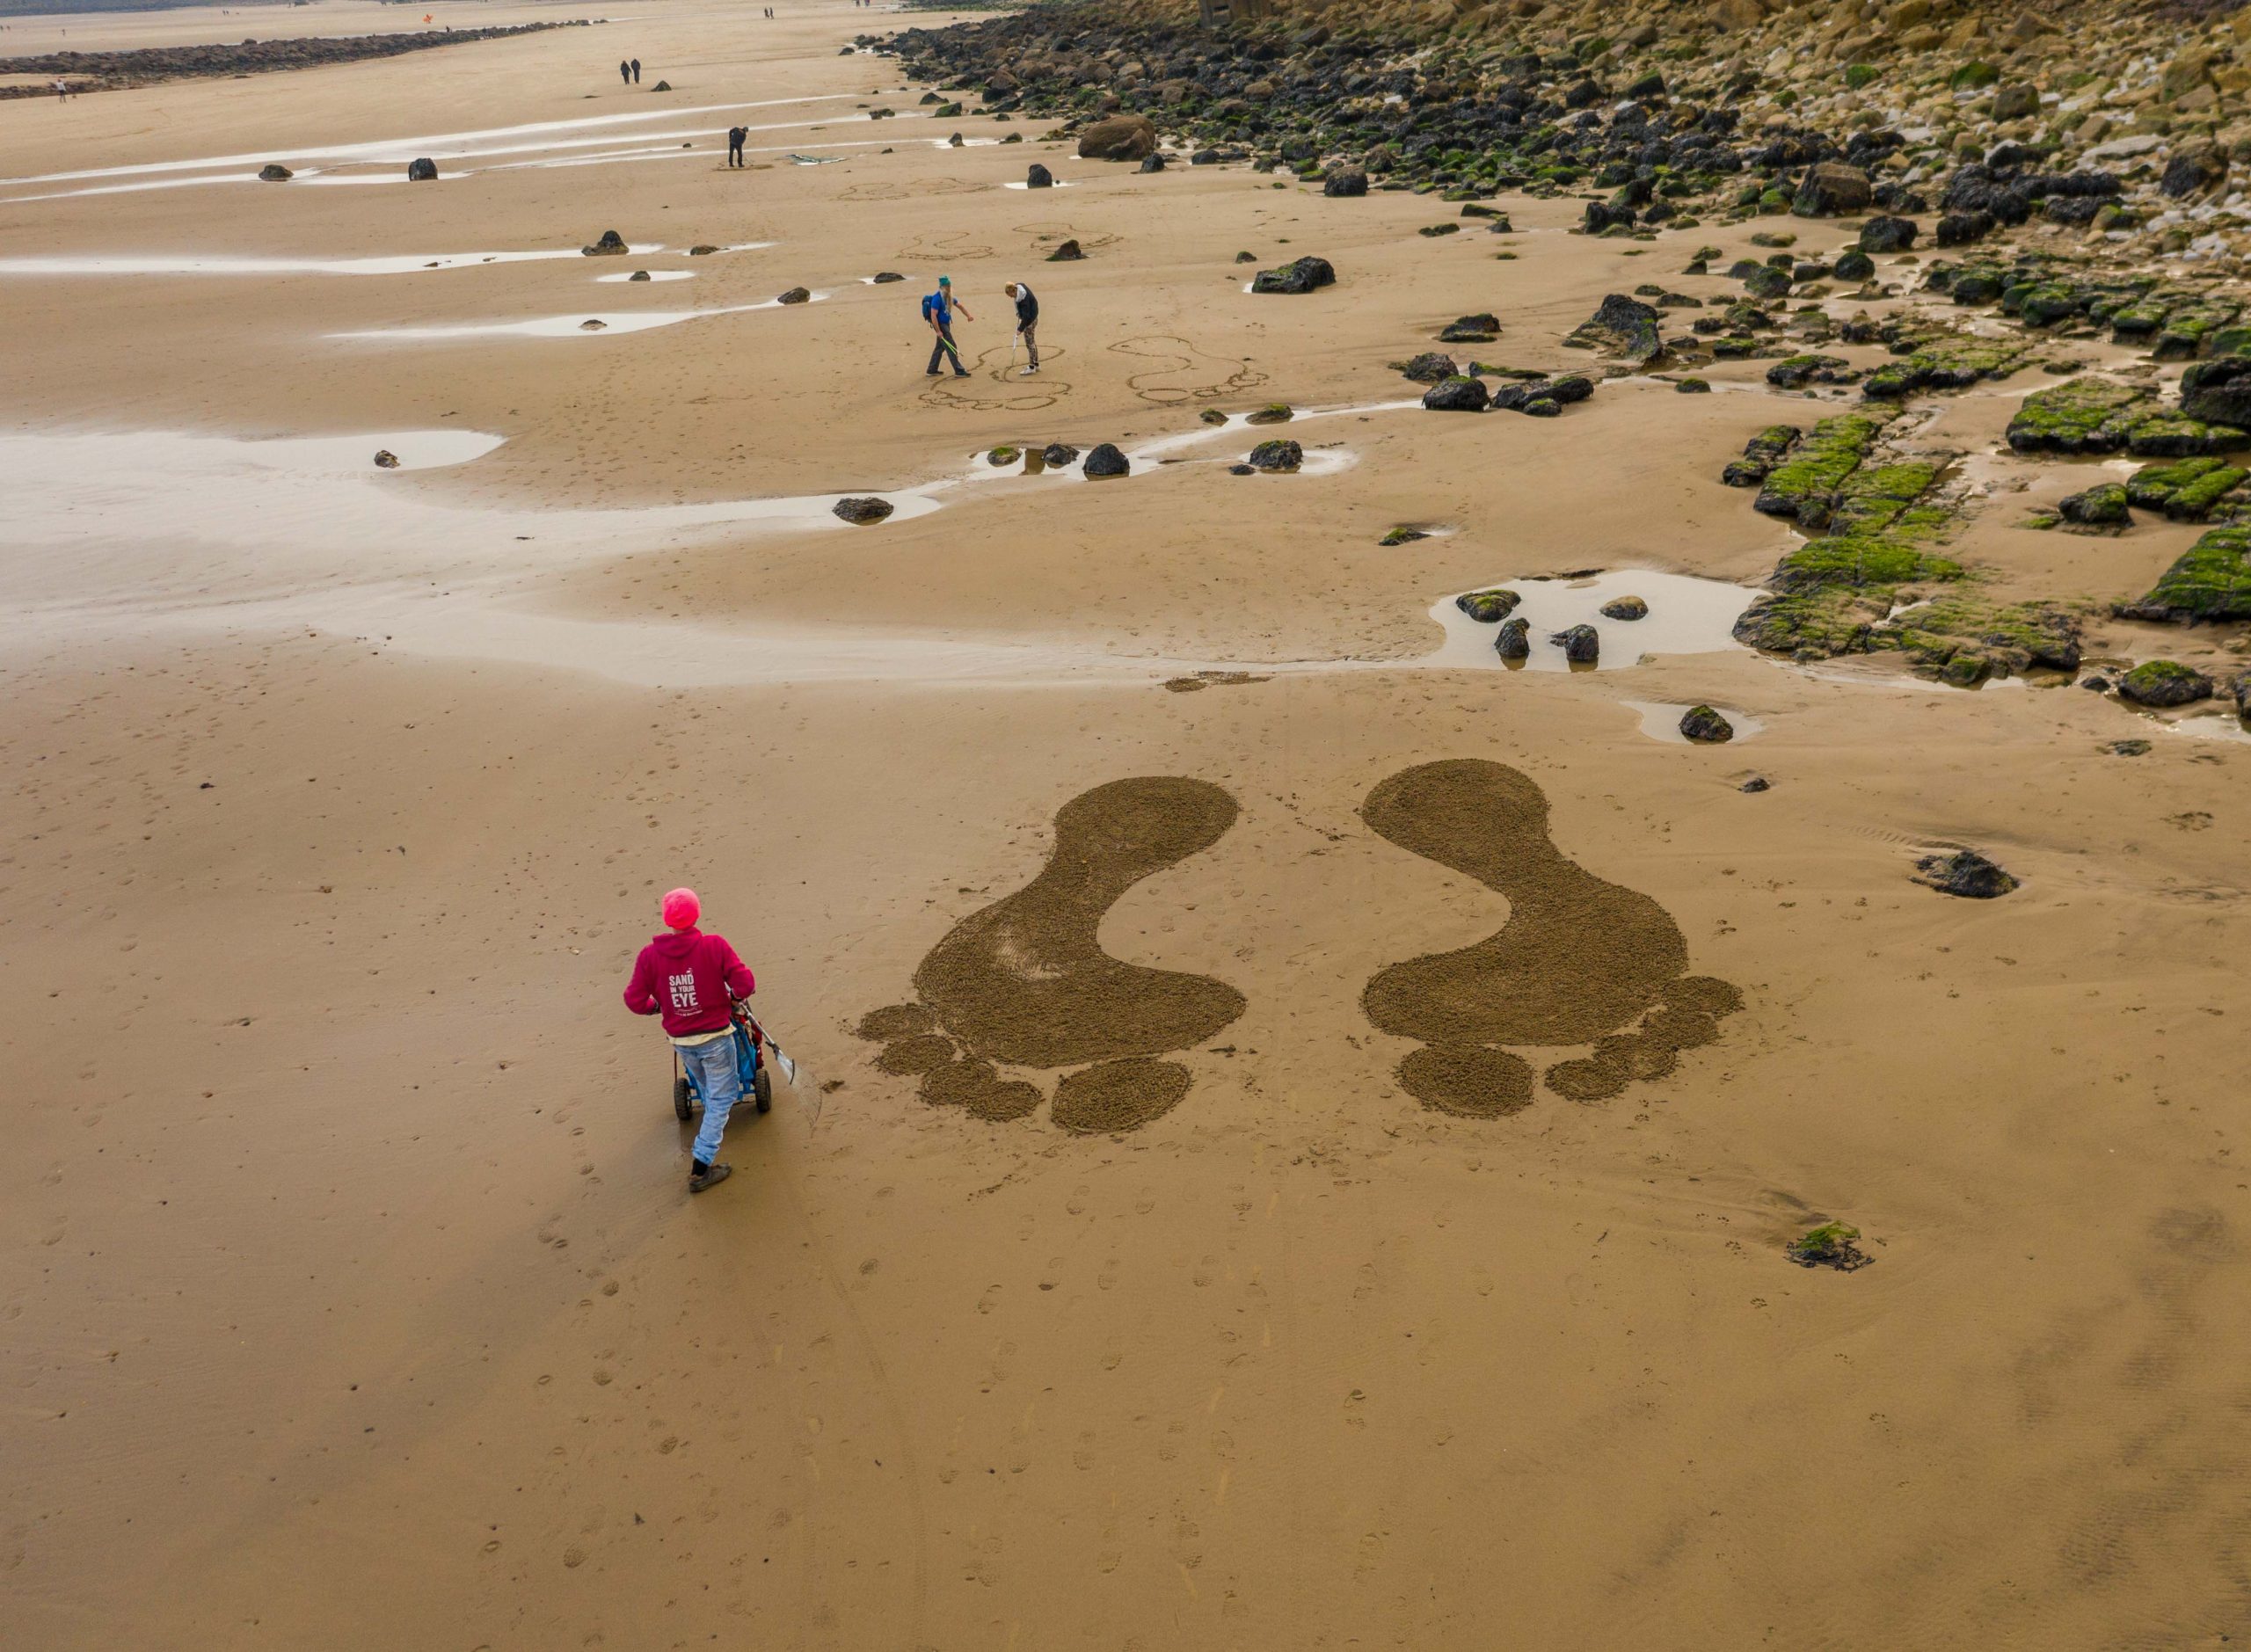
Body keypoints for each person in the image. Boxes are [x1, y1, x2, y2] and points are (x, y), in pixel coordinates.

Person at [623, 887, 756, 1194]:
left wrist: (656, 1007)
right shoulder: (714, 945)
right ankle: (701, 1166)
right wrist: (734, 998)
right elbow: (745, 983)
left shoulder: (649, 955)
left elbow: (634, 999)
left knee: (709, 1090)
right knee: (723, 1098)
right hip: (716, 1037)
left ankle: (709, 1128)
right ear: (696, 914)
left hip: (682, 1039)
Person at [922, 274, 973, 378]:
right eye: (947, 286)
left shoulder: (949, 297)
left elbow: (960, 306)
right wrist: (938, 331)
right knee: (952, 347)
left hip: (946, 325)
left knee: (939, 348)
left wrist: (968, 315)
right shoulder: (937, 298)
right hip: (941, 326)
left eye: (949, 285)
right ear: (942, 287)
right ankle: (959, 371)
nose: (949, 287)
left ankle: (931, 370)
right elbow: (933, 315)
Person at [1003, 280, 1039, 375]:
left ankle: (1032, 367)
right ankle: (1036, 364)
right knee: (1032, 342)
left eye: (1011, 295)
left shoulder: (1024, 299)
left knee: (1029, 344)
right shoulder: (1020, 286)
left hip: (1030, 321)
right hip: (1034, 317)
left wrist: (1020, 329)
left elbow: (1026, 316)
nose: (1011, 297)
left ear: (1014, 291)